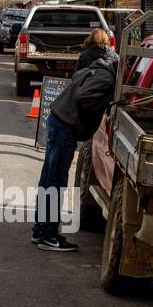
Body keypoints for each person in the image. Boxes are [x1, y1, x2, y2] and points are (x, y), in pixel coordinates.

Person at [31, 46, 119, 251]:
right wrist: (107, 103)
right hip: (65, 126)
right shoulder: (107, 77)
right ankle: (47, 235)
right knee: (56, 181)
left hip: (58, 121)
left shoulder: (97, 68)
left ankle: (41, 231)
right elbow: (84, 98)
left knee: (49, 179)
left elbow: (78, 78)